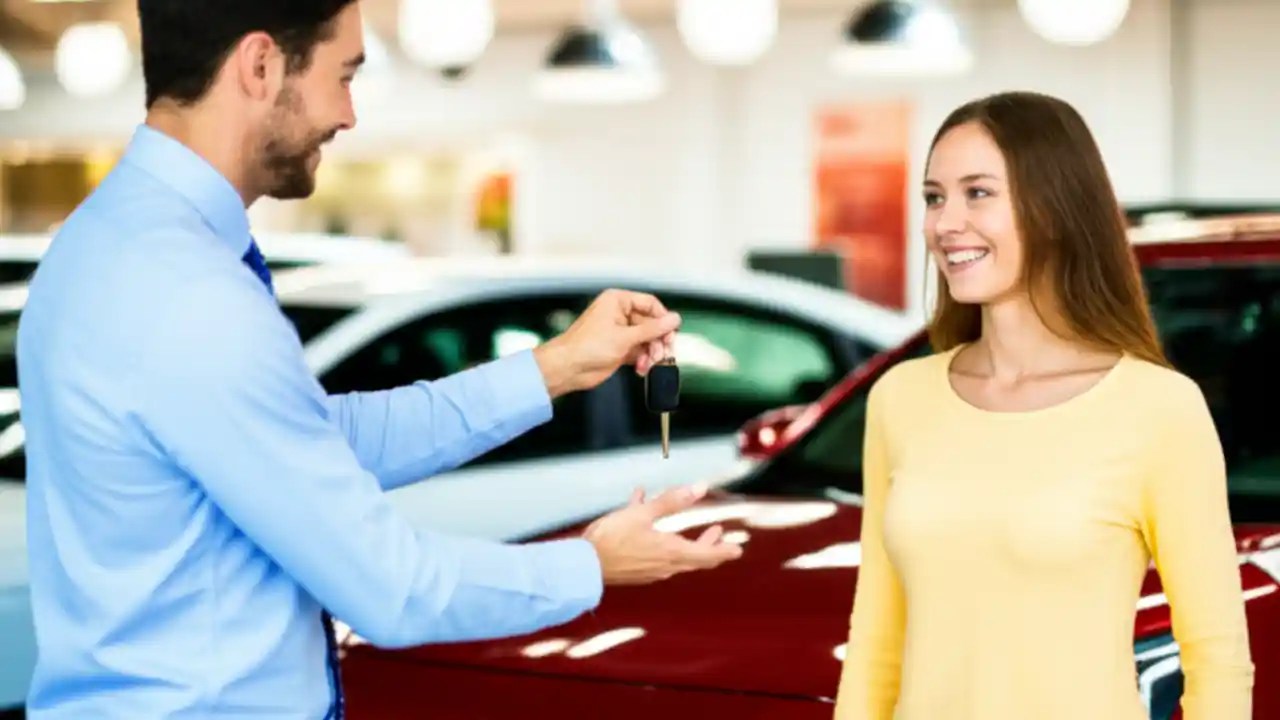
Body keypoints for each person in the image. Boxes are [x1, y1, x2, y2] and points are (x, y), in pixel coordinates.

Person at [16, 2, 742, 718]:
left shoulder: (102, 244)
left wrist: (556, 367)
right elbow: (391, 588)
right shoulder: (188, 292)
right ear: (261, 65)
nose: (350, 114)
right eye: (344, 74)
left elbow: (310, 440)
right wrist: (590, 564)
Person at [832, 91, 1254, 719]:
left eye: (978, 193)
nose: (945, 223)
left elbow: (1217, 661)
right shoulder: (901, 399)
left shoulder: (1159, 409)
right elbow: (875, 646)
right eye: (933, 196)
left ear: (1055, 209)